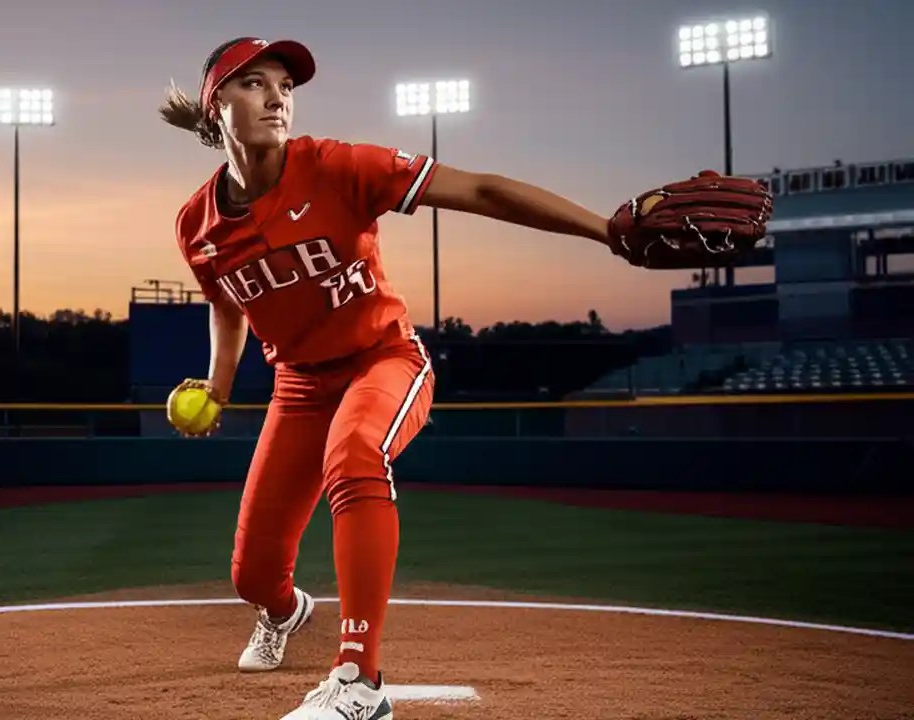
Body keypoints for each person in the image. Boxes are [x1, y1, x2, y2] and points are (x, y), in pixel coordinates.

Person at [160, 37, 641, 720]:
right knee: (252, 575)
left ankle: (358, 680)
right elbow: (227, 305)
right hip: (298, 386)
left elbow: (480, 189)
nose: (278, 97)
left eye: (286, 86)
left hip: (382, 359)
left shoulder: (337, 167)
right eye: (254, 84)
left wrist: (606, 231)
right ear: (216, 108)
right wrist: (218, 389)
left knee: (355, 457)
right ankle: (286, 612)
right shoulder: (196, 224)